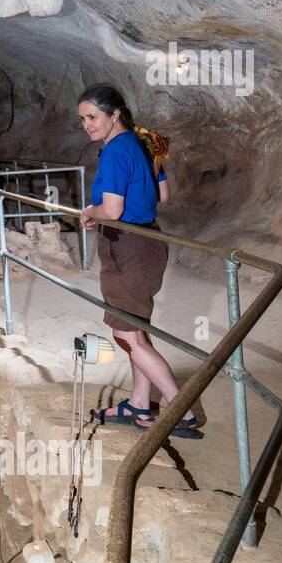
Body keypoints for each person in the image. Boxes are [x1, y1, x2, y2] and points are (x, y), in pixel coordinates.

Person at [77, 84, 201, 439]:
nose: (87, 124)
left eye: (93, 117)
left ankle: (182, 411)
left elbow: (112, 210)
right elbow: (163, 194)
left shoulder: (116, 151)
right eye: (83, 119)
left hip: (127, 247)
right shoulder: (142, 144)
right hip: (148, 242)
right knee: (137, 331)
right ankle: (139, 404)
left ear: (114, 114)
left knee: (126, 334)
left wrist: (91, 212)